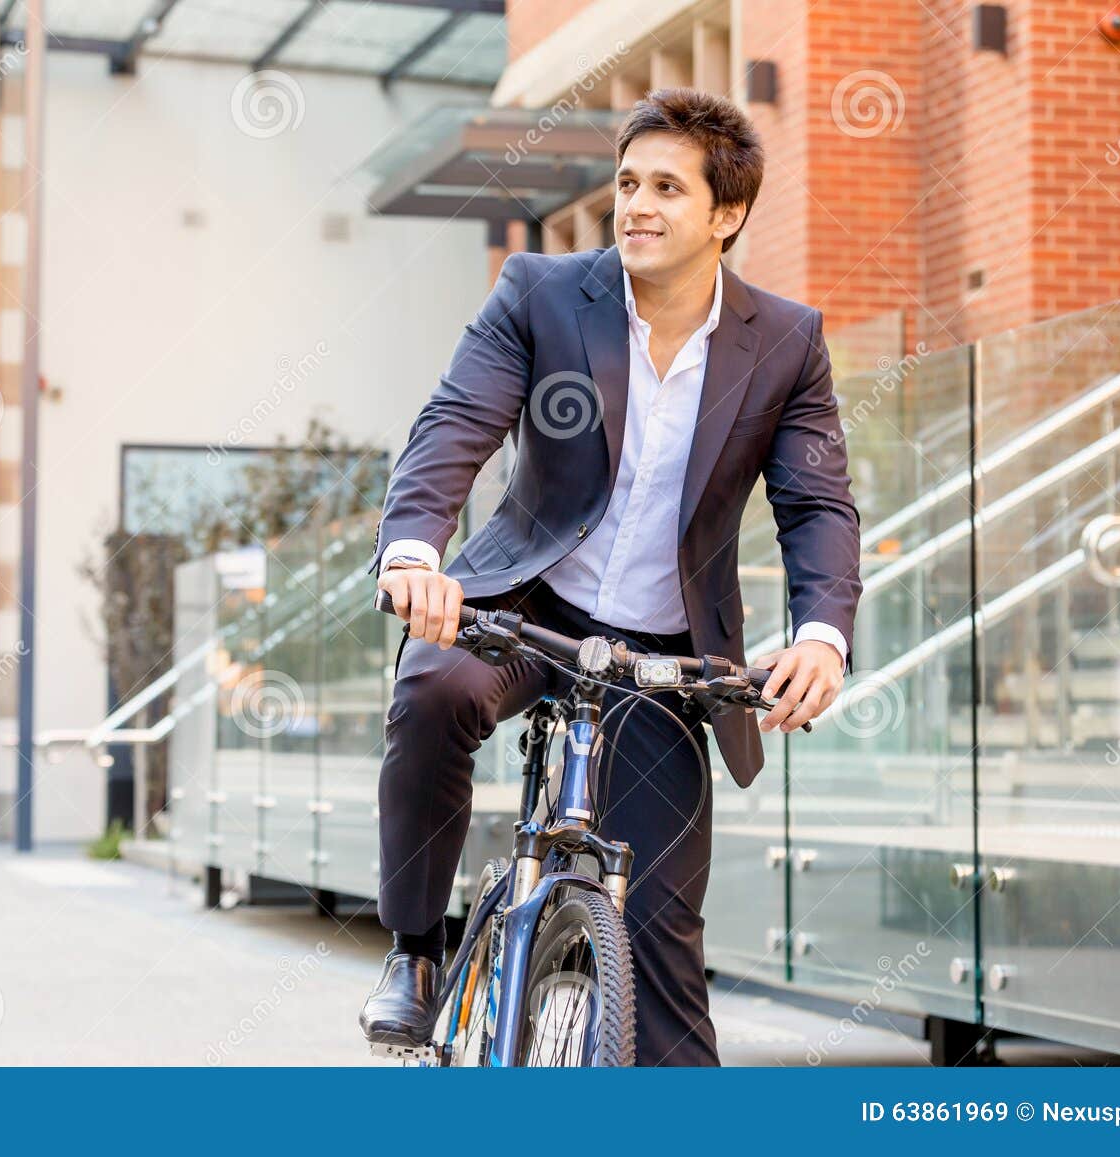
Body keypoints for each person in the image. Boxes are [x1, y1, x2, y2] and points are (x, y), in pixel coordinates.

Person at [358, 88, 863, 1066]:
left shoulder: (785, 342)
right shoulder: (542, 293)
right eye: (627, 182)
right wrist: (416, 547)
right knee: (431, 690)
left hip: (667, 650)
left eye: (667, 188)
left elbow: (815, 503)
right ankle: (415, 950)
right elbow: (457, 422)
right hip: (523, 605)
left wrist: (820, 632)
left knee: (663, 943)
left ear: (726, 215)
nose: (635, 203)